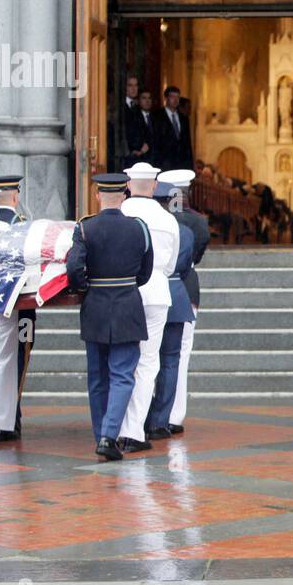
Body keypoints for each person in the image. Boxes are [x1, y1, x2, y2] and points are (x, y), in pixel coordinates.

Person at [66, 173, 154, 460]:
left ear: (97, 196)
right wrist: (127, 284)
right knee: (122, 375)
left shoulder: (85, 228)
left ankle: (101, 434)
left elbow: (74, 269)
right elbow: (146, 270)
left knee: (97, 376)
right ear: (125, 195)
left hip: (96, 306)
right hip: (127, 302)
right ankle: (108, 436)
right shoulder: (138, 228)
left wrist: (85, 290)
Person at [118, 161, 180, 451]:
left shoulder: (120, 212)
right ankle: (133, 431)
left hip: (123, 291)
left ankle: (113, 427)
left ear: (128, 185)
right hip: (156, 291)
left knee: (119, 361)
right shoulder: (168, 219)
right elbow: (169, 264)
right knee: (147, 362)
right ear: (154, 186)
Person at [159, 169, 209, 434]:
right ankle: (174, 416)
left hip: (155, 287)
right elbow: (196, 257)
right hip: (186, 288)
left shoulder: (158, 219)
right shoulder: (198, 223)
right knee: (180, 355)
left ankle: (150, 413)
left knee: (150, 356)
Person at [146, 182, 195, 438]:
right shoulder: (183, 230)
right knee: (170, 360)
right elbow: (185, 267)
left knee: (143, 361)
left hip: (146, 294)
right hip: (175, 295)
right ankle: (159, 421)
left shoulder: (141, 225)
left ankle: (139, 418)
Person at [0, 175, 31, 442]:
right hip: (19, 309)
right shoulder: (20, 226)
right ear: (15, 197)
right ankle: (10, 414)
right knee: (16, 359)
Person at [154, 86, 193, 171]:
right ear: (166, 98)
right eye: (172, 97)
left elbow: (187, 143)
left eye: (177, 97)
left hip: (181, 165)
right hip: (165, 164)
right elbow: (156, 142)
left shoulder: (184, 118)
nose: (175, 100)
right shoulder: (157, 117)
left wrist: (190, 166)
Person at [125, 90, 156, 168]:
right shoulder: (133, 117)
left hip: (155, 161)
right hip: (138, 160)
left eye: (149, 98)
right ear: (138, 101)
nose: (147, 101)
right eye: (144, 98)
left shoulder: (157, 117)